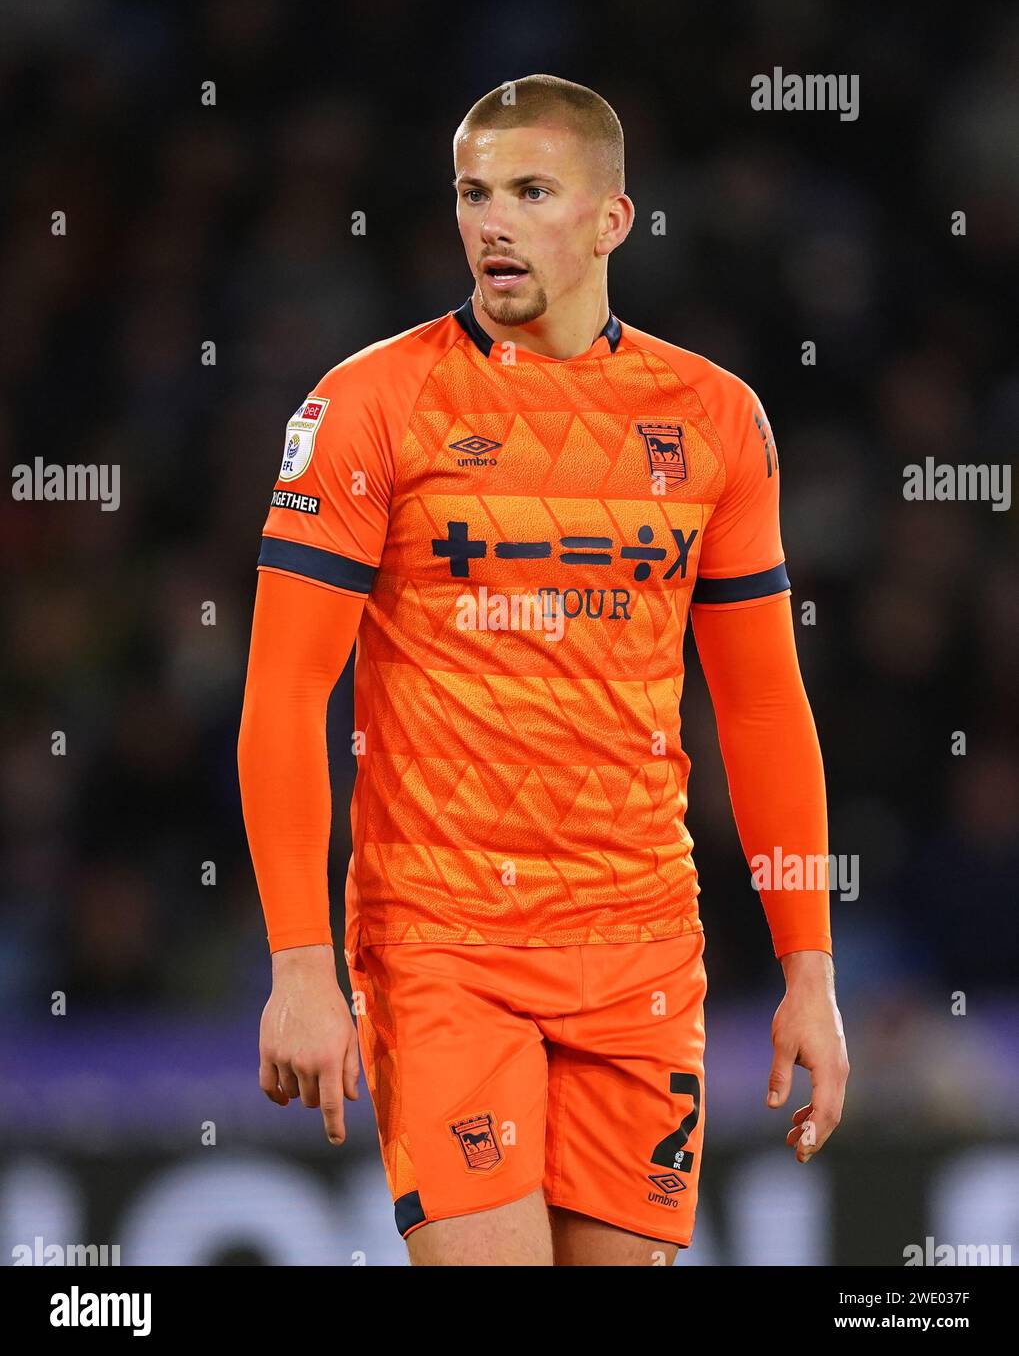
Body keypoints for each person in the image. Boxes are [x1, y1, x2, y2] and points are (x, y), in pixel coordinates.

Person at [237, 73, 849, 1267]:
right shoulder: (369, 405)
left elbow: (763, 706)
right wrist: (300, 965)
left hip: (640, 947)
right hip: (442, 942)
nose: (491, 223)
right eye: (472, 194)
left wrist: (808, 969)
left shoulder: (715, 419)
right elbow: (282, 696)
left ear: (611, 219)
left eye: (528, 191)